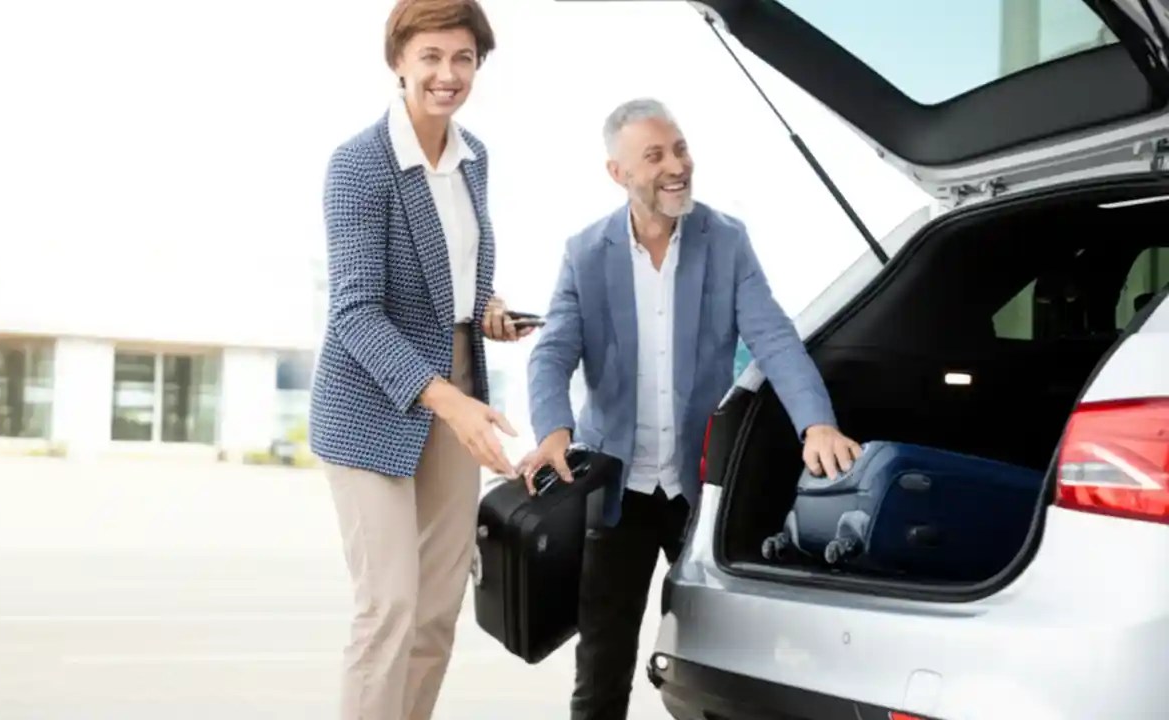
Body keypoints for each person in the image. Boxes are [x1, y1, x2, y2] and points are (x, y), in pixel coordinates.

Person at [518, 98, 863, 719]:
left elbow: (775, 337)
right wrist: (552, 433)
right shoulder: (585, 253)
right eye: (655, 155)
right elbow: (552, 355)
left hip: (700, 490)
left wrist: (817, 421)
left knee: (724, 663)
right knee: (602, 667)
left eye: (679, 149)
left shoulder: (725, 240)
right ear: (618, 173)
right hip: (616, 489)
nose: (677, 166)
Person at [308, 1, 533, 718]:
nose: (447, 74)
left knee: (437, 610)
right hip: (372, 403)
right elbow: (354, 312)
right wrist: (450, 399)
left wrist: (487, 309)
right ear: (398, 60)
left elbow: (454, 275)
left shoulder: (475, 158)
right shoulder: (360, 164)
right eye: (431, 57)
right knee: (390, 609)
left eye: (462, 58)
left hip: (456, 382)